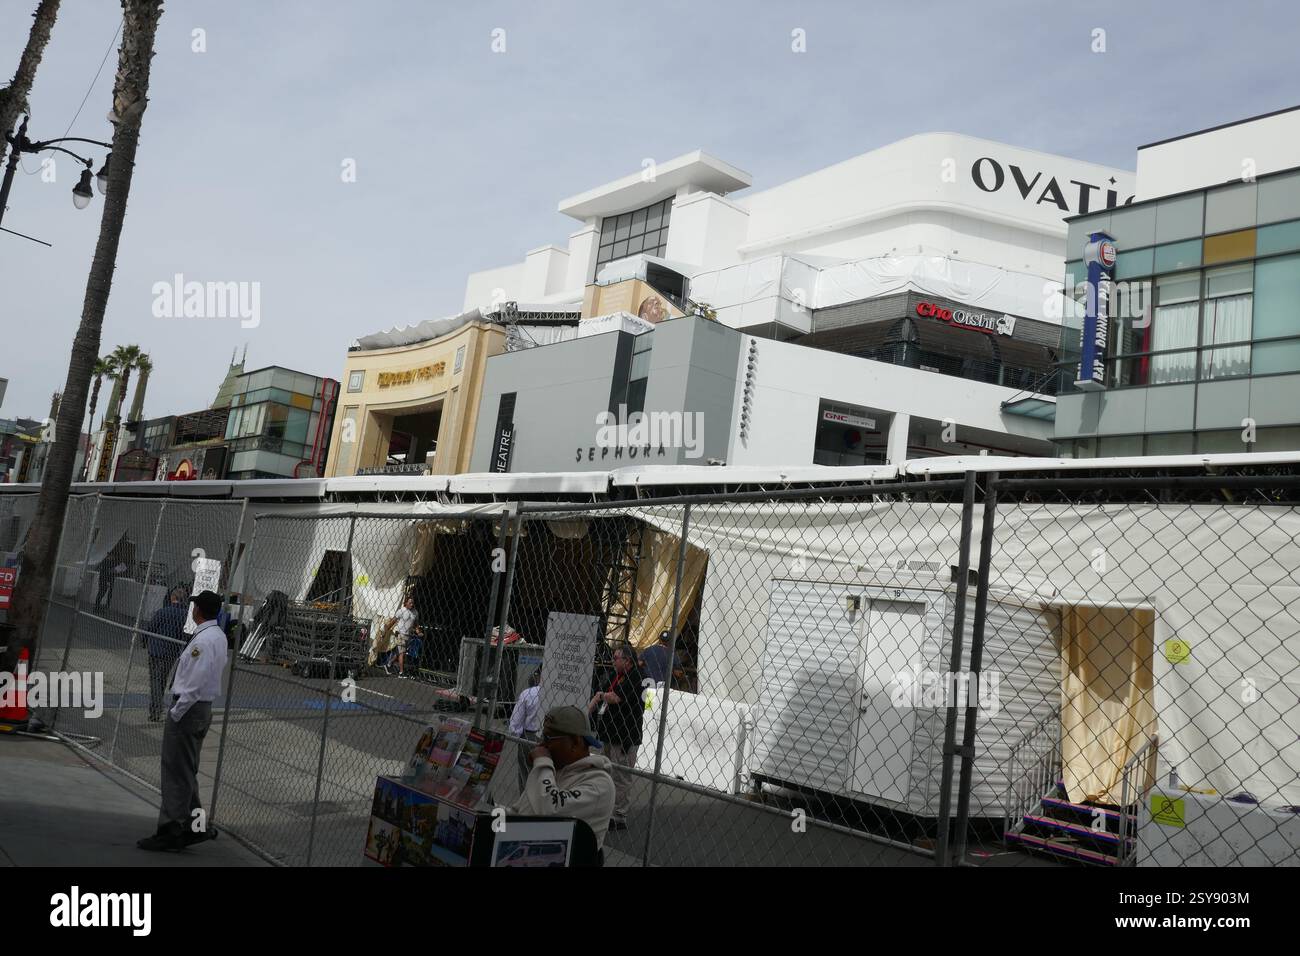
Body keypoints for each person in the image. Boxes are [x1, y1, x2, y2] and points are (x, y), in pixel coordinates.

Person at [137, 590, 229, 852]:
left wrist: (177, 712)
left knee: (175, 771)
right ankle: (194, 825)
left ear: (198, 610)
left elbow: (195, 682)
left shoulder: (204, 640)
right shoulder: (217, 636)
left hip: (189, 709)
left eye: (195, 606)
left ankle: (170, 829)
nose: (192, 610)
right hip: (199, 708)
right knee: (186, 769)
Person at [509, 705, 615, 851]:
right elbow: (518, 811)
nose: (542, 745)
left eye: (548, 738)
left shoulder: (600, 784)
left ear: (576, 742)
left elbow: (549, 811)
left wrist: (543, 763)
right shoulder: (555, 770)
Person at [588, 644, 645, 831]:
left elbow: (614, 698)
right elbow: (602, 692)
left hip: (624, 736)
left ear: (627, 661)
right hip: (609, 733)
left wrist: (601, 696)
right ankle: (606, 810)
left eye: (616, 658)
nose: (613, 661)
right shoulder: (616, 675)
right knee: (605, 772)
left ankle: (619, 815)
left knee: (621, 776)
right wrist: (600, 697)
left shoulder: (636, 675)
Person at [144, 588, 188, 721]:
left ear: (172, 598)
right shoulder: (185, 616)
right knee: (162, 679)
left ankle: (156, 708)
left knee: (155, 680)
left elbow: (151, 627)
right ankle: (157, 706)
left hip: (156, 650)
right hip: (171, 652)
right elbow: (184, 635)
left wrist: (145, 642)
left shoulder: (162, 612)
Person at [509, 668, 543, 790]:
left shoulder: (528, 693)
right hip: (551, 738)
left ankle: (525, 803)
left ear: (539, 676)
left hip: (529, 736)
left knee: (525, 773)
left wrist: (517, 735)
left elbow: (515, 722)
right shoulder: (559, 693)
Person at [386, 596, 422, 677]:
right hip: (400, 634)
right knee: (402, 653)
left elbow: (416, 625)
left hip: (408, 635)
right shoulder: (401, 611)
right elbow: (393, 620)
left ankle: (389, 663)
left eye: (412, 603)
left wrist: (418, 632)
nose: (411, 604)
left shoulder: (415, 612)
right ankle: (401, 672)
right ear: (406, 603)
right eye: (410, 603)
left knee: (400, 652)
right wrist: (386, 629)